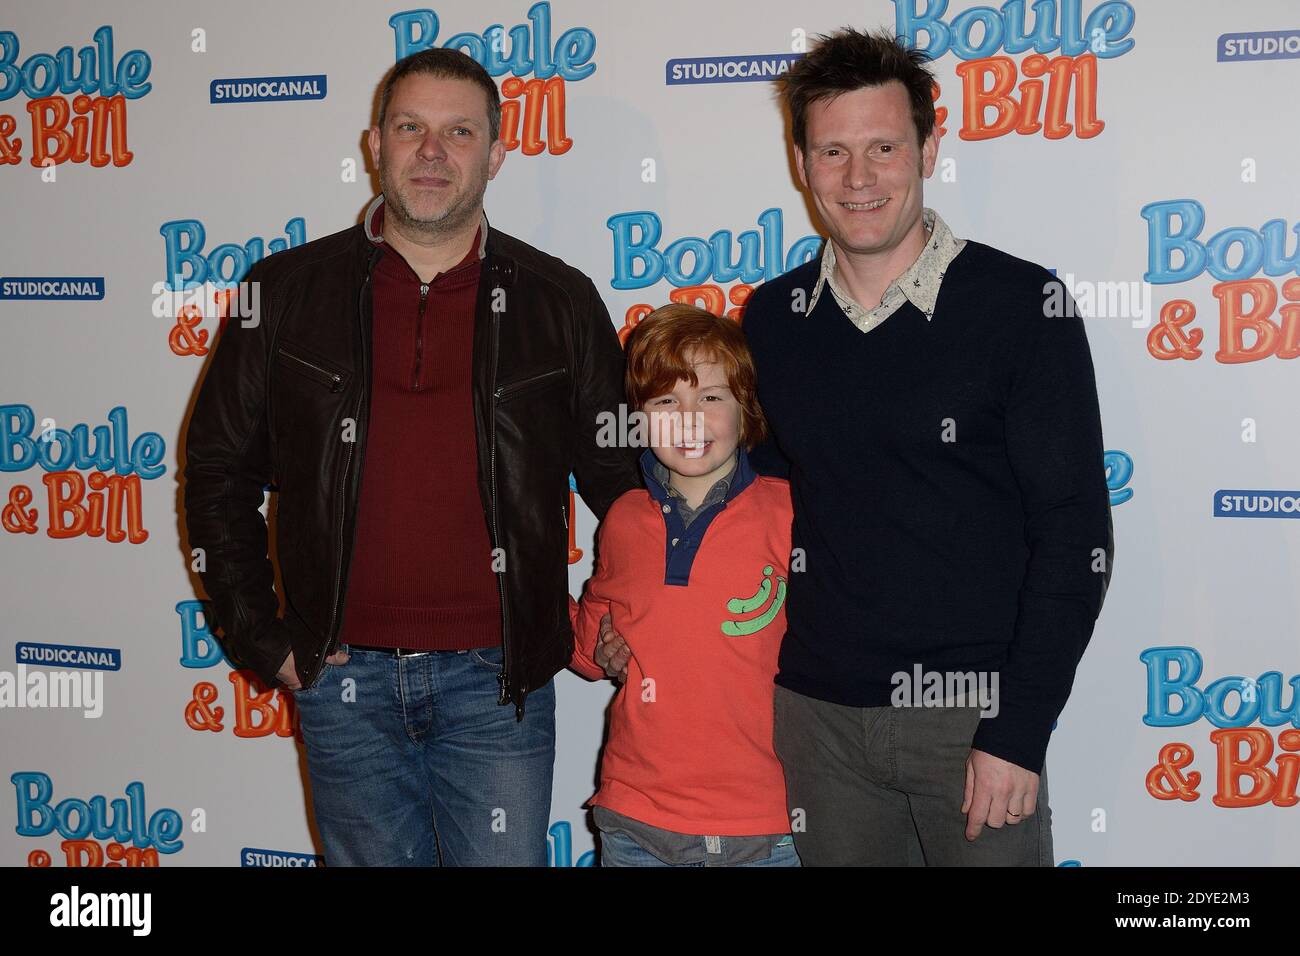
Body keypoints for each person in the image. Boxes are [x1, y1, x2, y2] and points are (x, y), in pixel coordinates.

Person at [594, 28, 1113, 866]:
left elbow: (1075, 531)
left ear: (929, 147)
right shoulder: (773, 318)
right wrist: (644, 610)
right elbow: (745, 493)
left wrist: (1018, 731)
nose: (859, 178)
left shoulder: (1022, 305)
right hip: (813, 723)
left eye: (883, 148)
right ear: (801, 163)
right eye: (832, 151)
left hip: (970, 719)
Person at [183, 48, 639, 866]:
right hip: (341, 681)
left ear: (496, 156)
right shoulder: (284, 291)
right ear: (374, 145)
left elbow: (626, 486)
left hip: (500, 688)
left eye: (459, 132)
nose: (433, 152)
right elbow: (218, 474)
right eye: (411, 129)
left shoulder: (556, 298)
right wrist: (267, 641)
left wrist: (634, 610)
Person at [569, 305, 799, 867]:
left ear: (746, 412)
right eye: (667, 401)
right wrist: (601, 647)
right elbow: (588, 646)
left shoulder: (791, 512)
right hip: (638, 823)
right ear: (639, 418)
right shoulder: (623, 517)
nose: (689, 419)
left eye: (711, 398)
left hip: (768, 825)